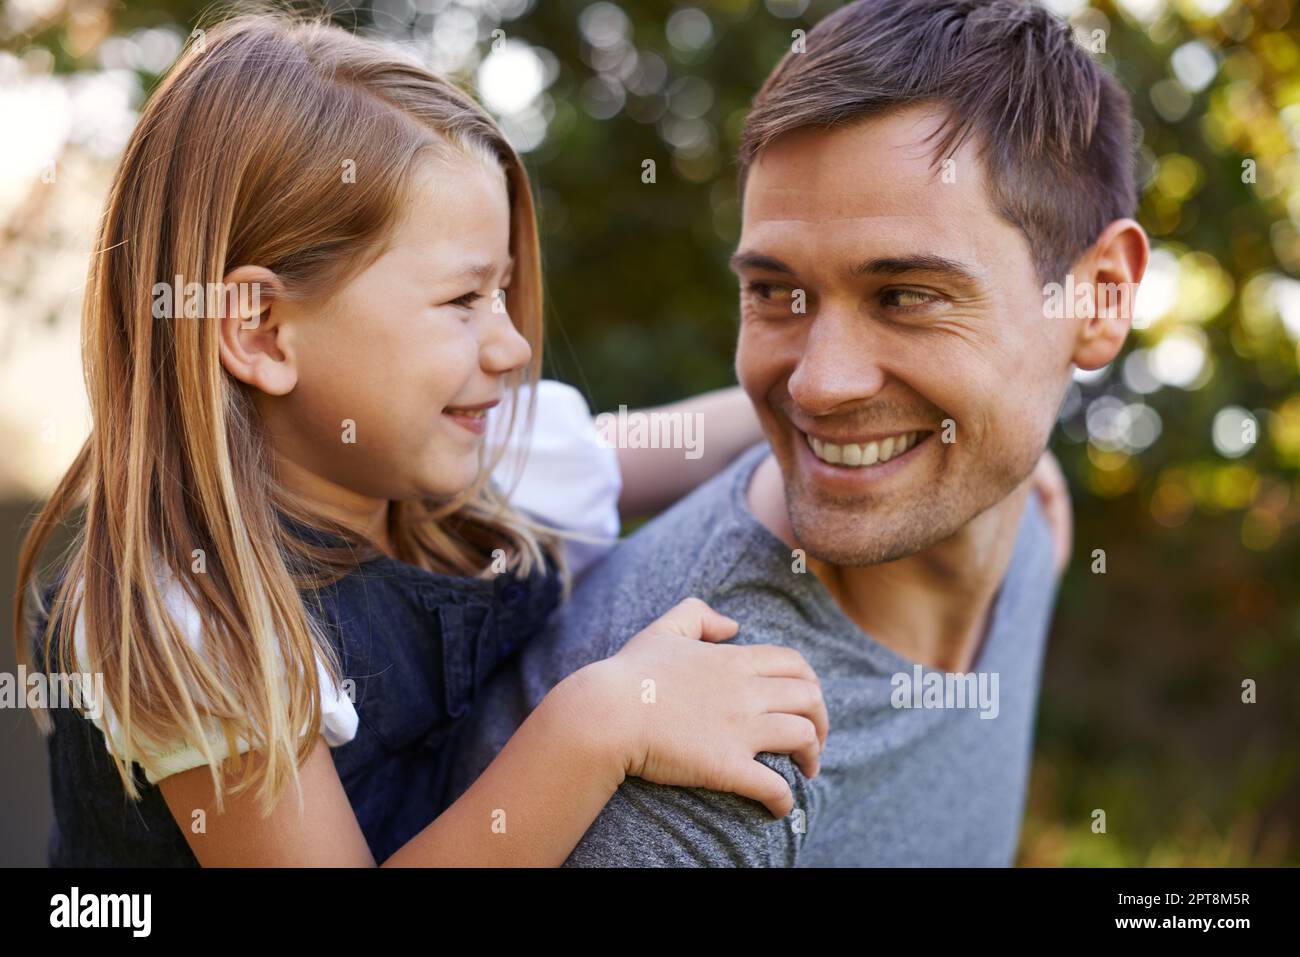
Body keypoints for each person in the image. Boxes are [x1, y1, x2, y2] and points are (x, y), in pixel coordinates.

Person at [13, 12, 830, 867]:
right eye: (462, 300)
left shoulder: (476, 462)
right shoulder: (197, 620)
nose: (512, 346)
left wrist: (816, 385)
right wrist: (601, 723)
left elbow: (684, 441)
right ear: (259, 329)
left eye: (506, 293)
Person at [436, 0, 1148, 866]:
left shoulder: (1026, 523)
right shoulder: (705, 776)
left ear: (1098, 298)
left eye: (906, 296)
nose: (819, 383)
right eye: (776, 293)